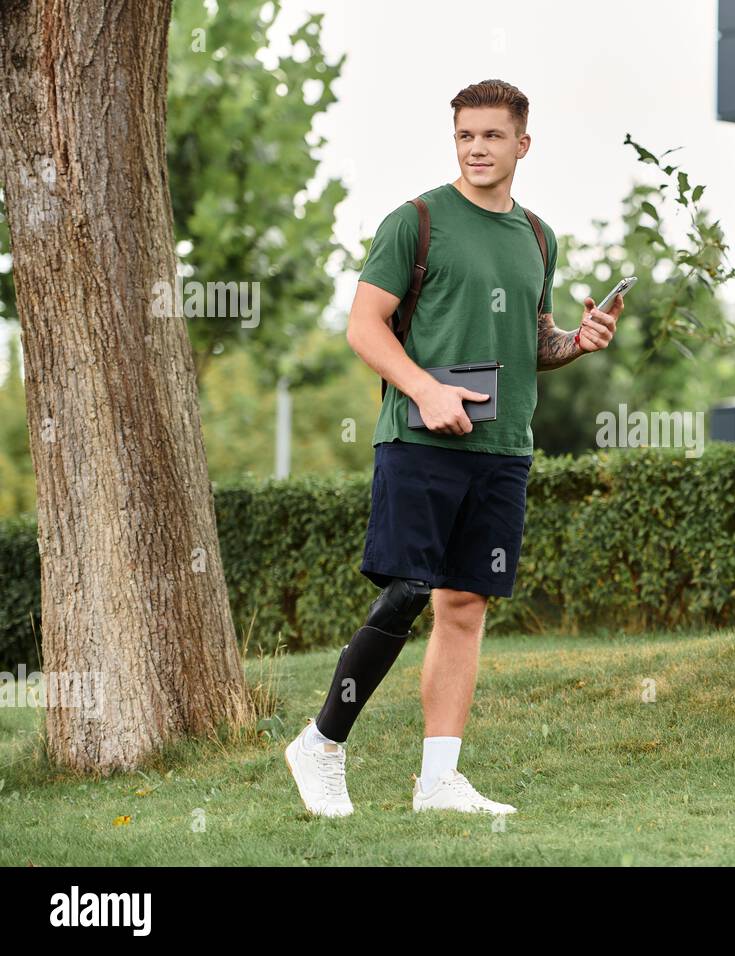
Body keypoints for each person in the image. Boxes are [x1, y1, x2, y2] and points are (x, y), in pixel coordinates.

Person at [285, 78, 622, 817]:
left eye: (492, 136)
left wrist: (578, 342)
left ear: (522, 144)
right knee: (408, 588)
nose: (477, 148)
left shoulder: (538, 235)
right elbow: (365, 327)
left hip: (503, 447)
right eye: (466, 135)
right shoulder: (416, 221)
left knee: (465, 603)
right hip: (420, 438)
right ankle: (321, 742)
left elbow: (532, 342)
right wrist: (426, 390)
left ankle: (438, 781)